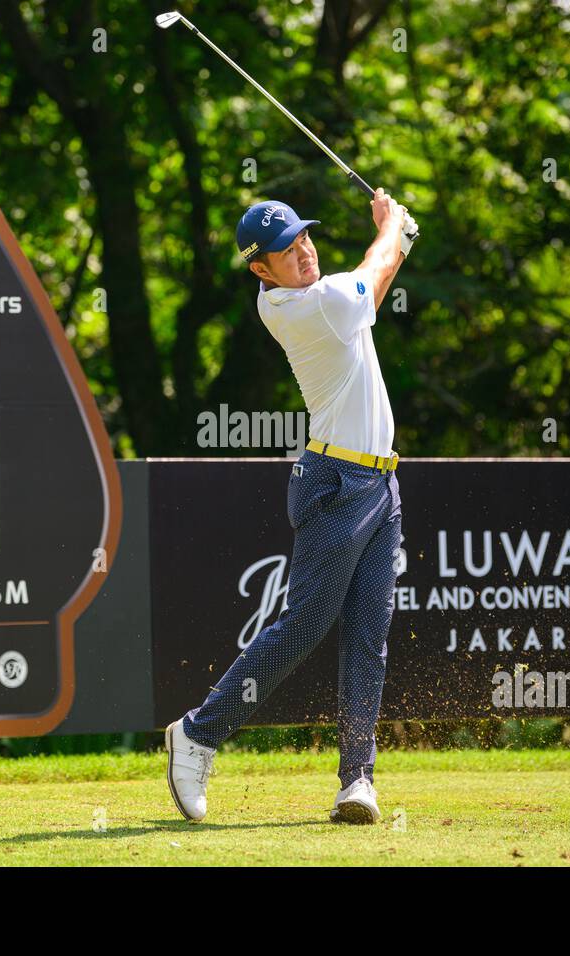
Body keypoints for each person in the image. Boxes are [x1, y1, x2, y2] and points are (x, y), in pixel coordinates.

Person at [166, 189, 417, 824]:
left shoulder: (325, 297)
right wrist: (392, 227)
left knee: (368, 637)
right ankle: (197, 734)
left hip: (378, 483)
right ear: (261, 270)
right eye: (285, 250)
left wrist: (395, 241)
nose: (302, 251)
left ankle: (356, 780)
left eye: (304, 237)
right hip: (336, 482)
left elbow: (375, 278)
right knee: (303, 627)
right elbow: (375, 272)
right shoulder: (310, 306)